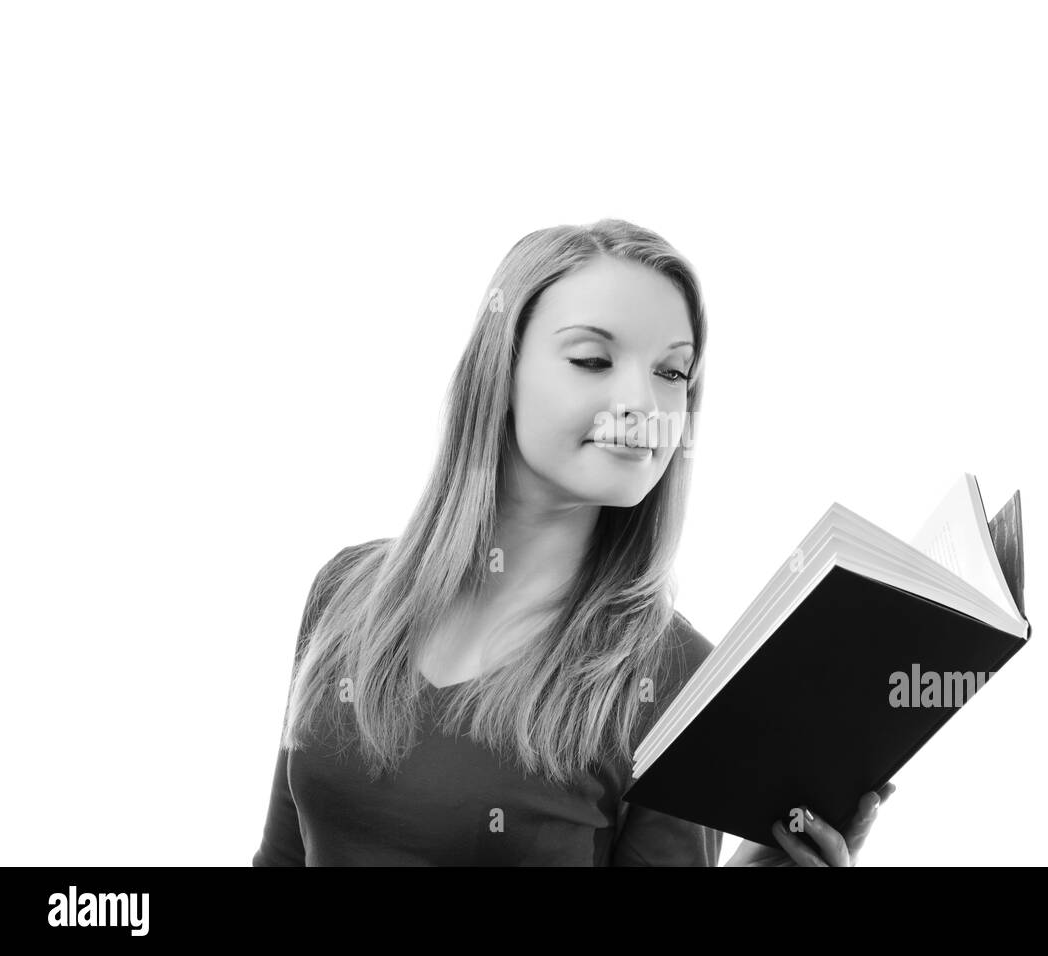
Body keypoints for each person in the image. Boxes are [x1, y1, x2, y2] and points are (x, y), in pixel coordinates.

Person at [252, 218, 895, 867]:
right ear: (498, 373)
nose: (643, 402)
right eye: (592, 359)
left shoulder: (675, 680)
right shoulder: (346, 589)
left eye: (673, 373)